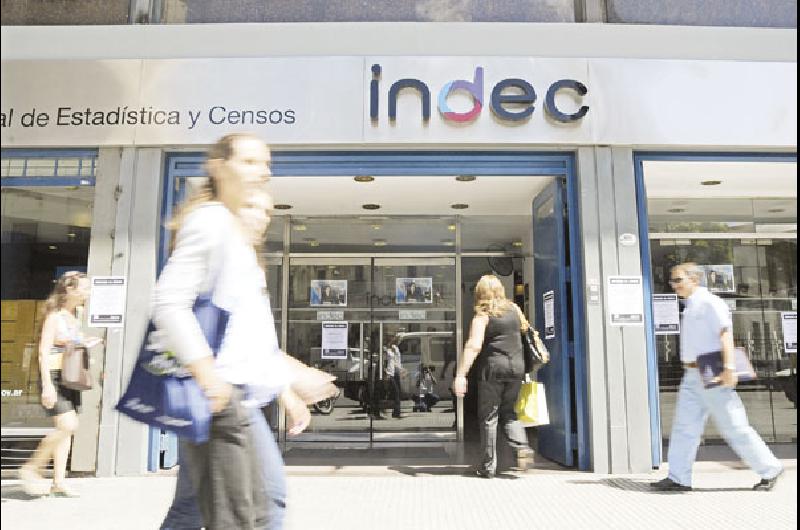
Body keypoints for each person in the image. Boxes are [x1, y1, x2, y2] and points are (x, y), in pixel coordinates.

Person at [153, 133, 310, 529]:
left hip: (232, 393)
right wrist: (208, 378)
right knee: (257, 508)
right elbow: (169, 302)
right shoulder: (211, 221)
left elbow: (253, 337)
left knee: (205, 507)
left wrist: (286, 391)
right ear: (218, 166)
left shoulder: (234, 237)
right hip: (222, 394)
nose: (264, 172)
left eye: (266, 163)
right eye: (251, 162)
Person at [651, 262, 784, 492]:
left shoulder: (710, 303)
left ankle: (770, 469)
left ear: (694, 279)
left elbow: (725, 334)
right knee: (684, 427)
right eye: (672, 280)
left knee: (734, 425)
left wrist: (729, 368)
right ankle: (678, 478)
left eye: (678, 280)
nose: (673, 285)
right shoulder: (691, 305)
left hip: (712, 372)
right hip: (692, 374)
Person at [19, 271, 101, 497]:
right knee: (68, 425)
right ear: (69, 289)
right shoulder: (54, 317)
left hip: (70, 377)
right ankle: (31, 467)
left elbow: (68, 344)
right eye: (84, 288)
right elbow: (43, 352)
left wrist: (85, 343)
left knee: (66, 431)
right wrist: (47, 385)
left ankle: (59, 482)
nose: (88, 292)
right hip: (54, 377)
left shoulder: (76, 315)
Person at [453, 274, 537, 478]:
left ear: (479, 293)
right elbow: (525, 332)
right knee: (509, 413)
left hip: (493, 370)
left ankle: (488, 466)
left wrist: (461, 374)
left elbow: (474, 345)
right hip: (517, 369)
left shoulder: (483, 315)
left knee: (489, 417)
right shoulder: (515, 310)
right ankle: (521, 447)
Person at [384, 335, 403, 418]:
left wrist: (401, 370)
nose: (398, 341)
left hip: (395, 372)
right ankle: (396, 412)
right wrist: (385, 373)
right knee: (396, 392)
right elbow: (385, 362)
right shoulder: (386, 349)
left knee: (398, 393)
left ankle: (396, 411)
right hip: (389, 373)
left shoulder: (395, 348)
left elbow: (396, 361)